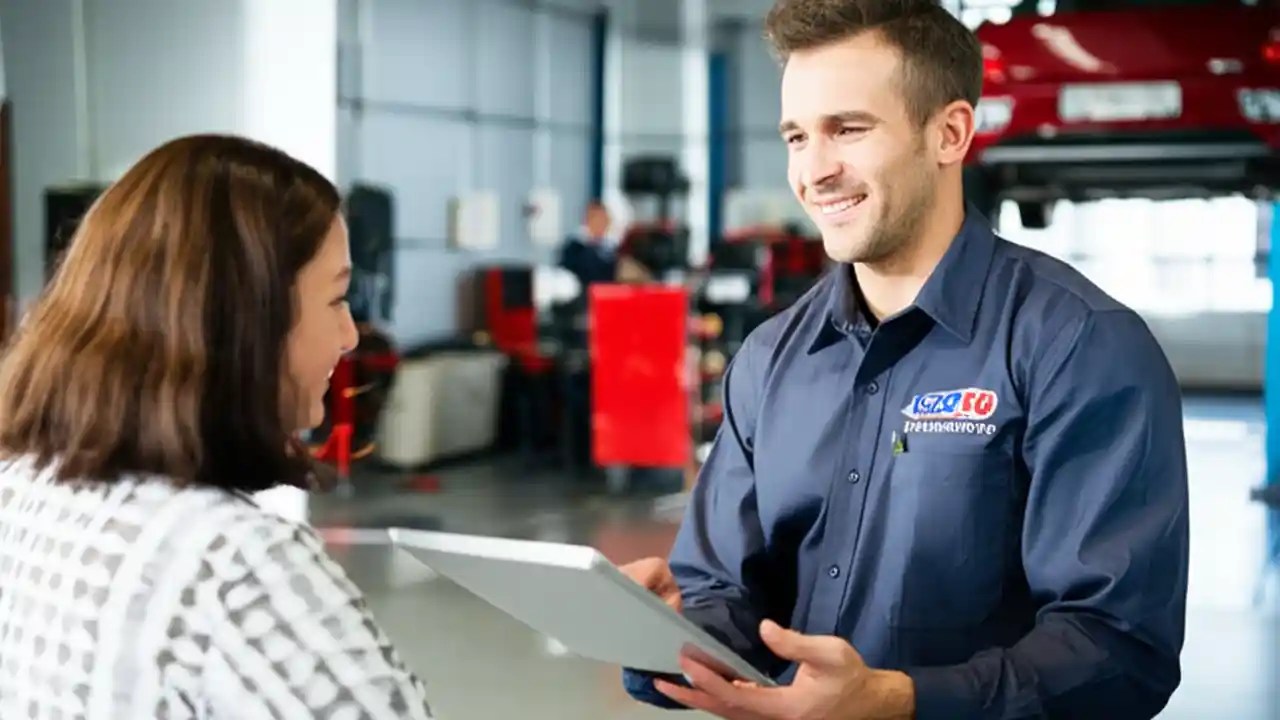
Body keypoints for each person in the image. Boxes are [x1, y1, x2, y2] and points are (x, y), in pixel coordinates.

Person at [619, 1, 1190, 719]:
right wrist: (667, 635)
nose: (815, 171)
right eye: (797, 136)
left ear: (949, 133)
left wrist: (900, 700)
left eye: (848, 130)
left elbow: (1118, 651)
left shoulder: (1080, 346)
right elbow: (725, 594)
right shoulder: (770, 360)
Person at [0, 135, 435, 718]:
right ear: (247, 322)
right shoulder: (235, 566)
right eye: (336, 300)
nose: (351, 334)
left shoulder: (17, 490)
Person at [558, 201, 618, 288]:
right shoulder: (575, 248)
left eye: (604, 219)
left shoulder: (613, 249)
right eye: (596, 218)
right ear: (587, 221)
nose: (600, 223)